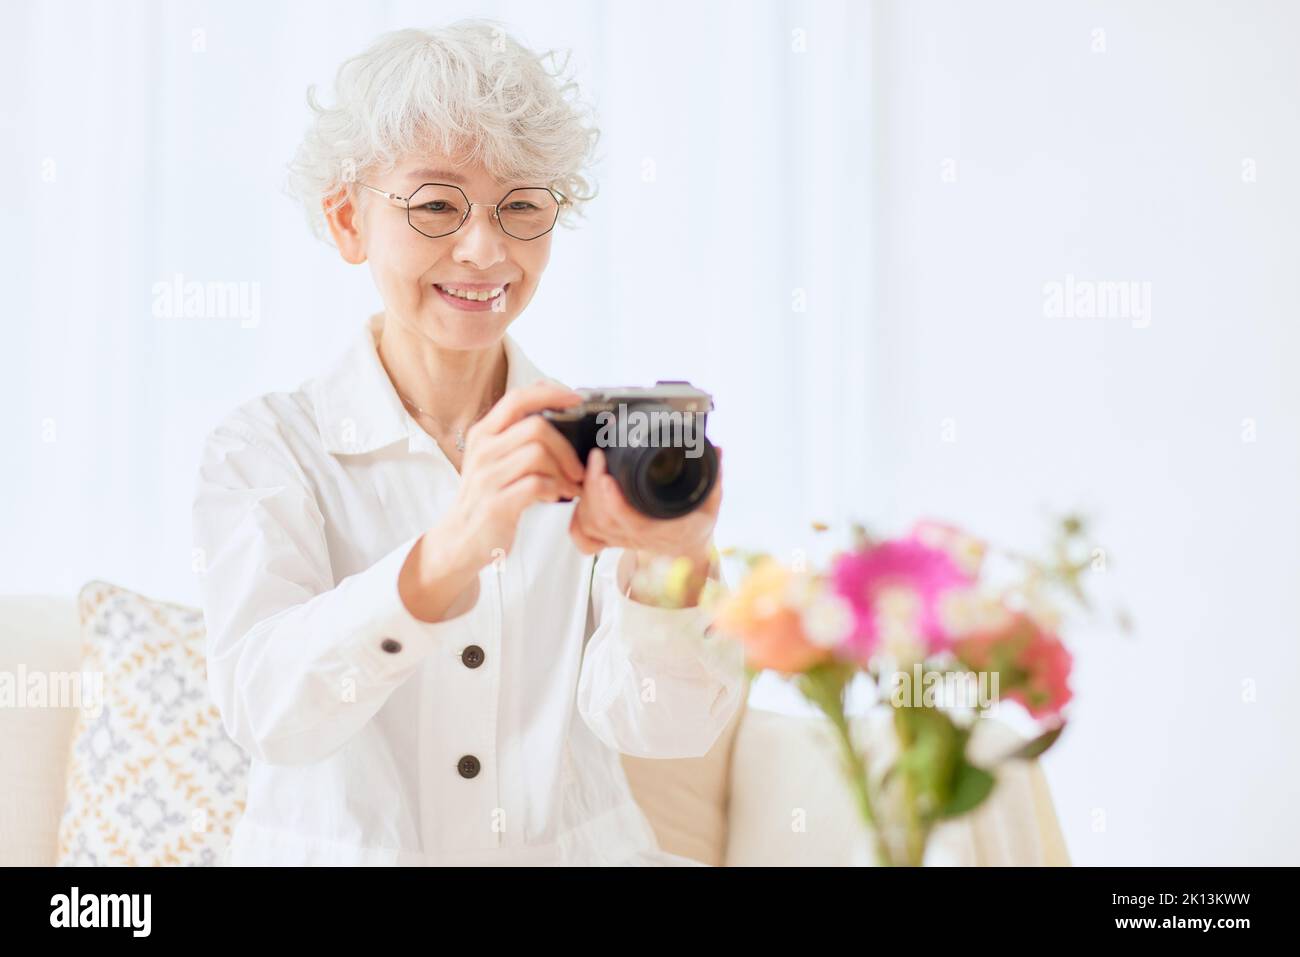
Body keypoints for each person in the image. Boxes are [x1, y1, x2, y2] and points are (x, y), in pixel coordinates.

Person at [190, 20, 744, 866]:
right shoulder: (266, 449)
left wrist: (672, 565)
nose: (486, 250)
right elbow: (269, 711)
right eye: (437, 203)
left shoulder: (606, 450)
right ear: (348, 222)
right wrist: (443, 556)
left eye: (522, 204)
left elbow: (663, 729)